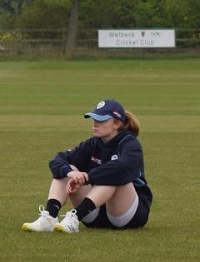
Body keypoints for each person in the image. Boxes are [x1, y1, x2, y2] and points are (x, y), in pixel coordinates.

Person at [22, 99, 151, 233]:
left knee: (114, 174)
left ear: (117, 123)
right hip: (95, 215)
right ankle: (50, 216)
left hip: (127, 216)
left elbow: (122, 167)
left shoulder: (130, 144)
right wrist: (71, 173)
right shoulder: (92, 144)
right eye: (94, 119)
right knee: (68, 169)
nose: (95, 123)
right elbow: (57, 160)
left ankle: (75, 217)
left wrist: (88, 177)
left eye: (101, 120)